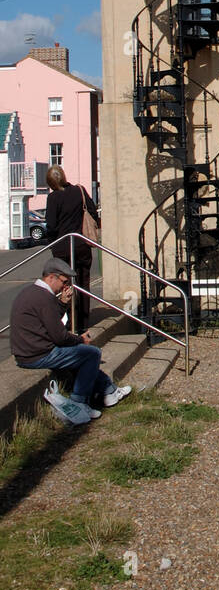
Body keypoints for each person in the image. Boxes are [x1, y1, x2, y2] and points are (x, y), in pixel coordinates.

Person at [10, 258, 130, 425]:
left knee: (81, 354)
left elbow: (49, 322)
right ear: (51, 277)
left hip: (28, 352)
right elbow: (59, 336)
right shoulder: (44, 298)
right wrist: (81, 339)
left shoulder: (32, 292)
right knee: (92, 353)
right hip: (38, 355)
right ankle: (79, 402)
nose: (64, 286)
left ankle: (109, 391)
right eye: (64, 281)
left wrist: (62, 303)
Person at [44, 166, 100, 329]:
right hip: (81, 244)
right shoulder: (79, 191)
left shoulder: (53, 197)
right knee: (83, 282)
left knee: (65, 284)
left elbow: (51, 225)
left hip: (62, 248)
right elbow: (93, 212)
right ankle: (83, 322)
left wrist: (52, 241)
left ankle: (71, 322)